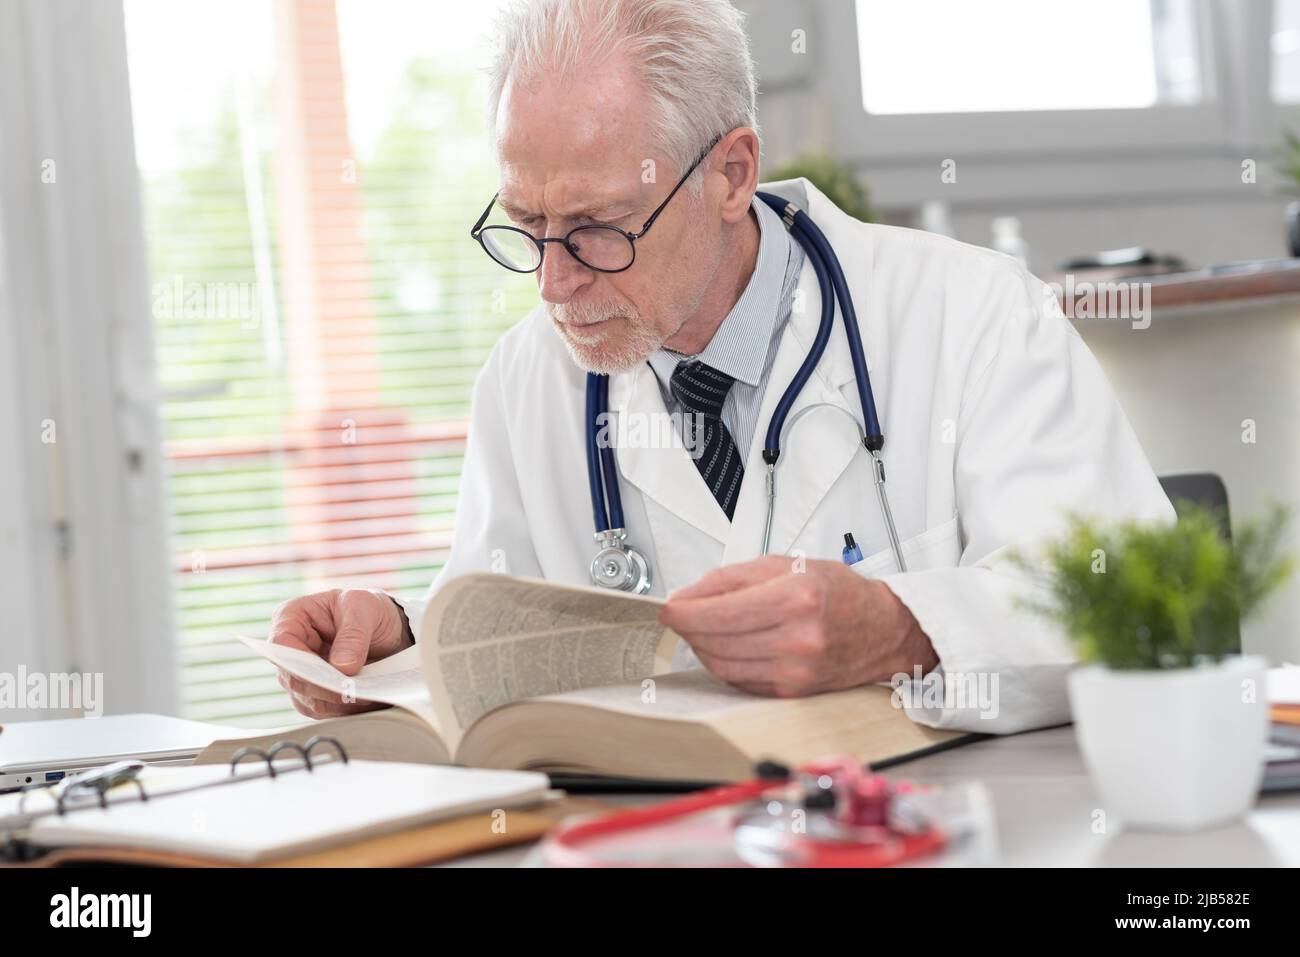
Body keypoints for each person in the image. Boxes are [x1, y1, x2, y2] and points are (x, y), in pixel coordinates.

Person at [270, 0, 1173, 733]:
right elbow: (495, 624)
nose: (552, 280)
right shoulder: (526, 382)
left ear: (732, 173)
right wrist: (395, 636)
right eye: (525, 225)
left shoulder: (972, 315)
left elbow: (1139, 609)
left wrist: (904, 630)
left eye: (594, 226)